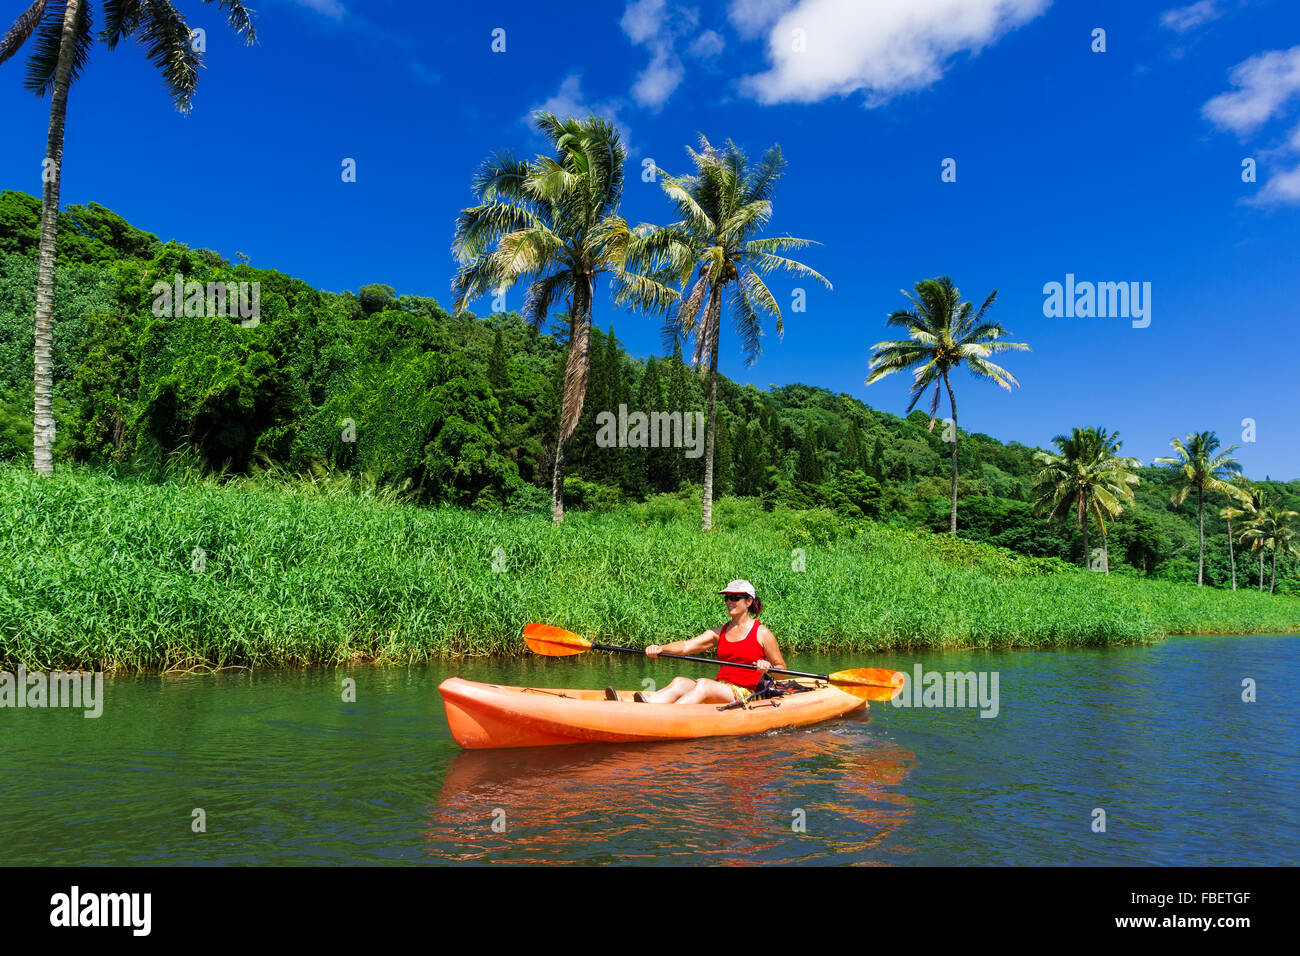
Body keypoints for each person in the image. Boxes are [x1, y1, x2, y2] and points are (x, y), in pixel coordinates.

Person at [640, 579, 786, 704]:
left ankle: (666, 715)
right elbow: (686, 646)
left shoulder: (762, 633)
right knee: (680, 682)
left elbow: (782, 672)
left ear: (748, 601)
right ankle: (645, 707)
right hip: (722, 688)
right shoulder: (719, 632)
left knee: (704, 684)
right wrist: (661, 648)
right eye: (727, 598)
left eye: (735, 598)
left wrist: (769, 666)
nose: (729, 601)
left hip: (748, 693)